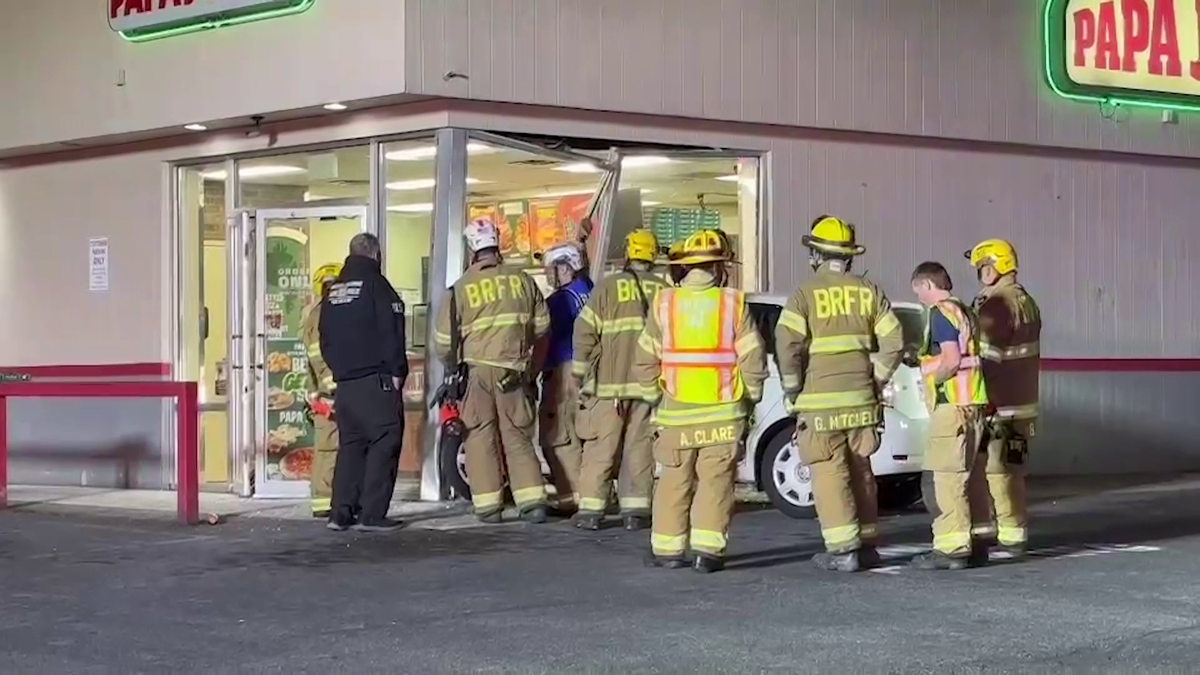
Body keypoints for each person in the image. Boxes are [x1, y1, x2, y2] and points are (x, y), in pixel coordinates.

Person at [774, 216, 904, 573]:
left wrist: (792, 388)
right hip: (862, 402)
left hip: (820, 404)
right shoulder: (870, 292)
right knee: (860, 469)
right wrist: (874, 378)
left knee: (829, 472)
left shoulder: (804, 294)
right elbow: (894, 340)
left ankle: (843, 548)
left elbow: (787, 346)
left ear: (816, 254)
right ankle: (867, 544)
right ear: (849, 256)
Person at [634, 229, 767, 573]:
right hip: (723, 415)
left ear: (685, 268)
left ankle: (667, 550)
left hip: (676, 413)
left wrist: (654, 401)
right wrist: (749, 403)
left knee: (673, 482)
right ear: (719, 267)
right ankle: (707, 553)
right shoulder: (733, 304)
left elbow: (645, 358)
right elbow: (753, 359)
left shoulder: (665, 304)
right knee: (716, 484)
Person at [435, 220, 551, 524]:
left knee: (479, 436)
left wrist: (451, 368)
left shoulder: (460, 289)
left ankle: (488, 506)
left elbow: (444, 342)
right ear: (497, 244)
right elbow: (542, 328)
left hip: (477, 372)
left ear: (472, 249)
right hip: (514, 370)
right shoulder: (523, 281)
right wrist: (529, 369)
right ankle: (533, 503)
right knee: (518, 437)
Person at [572, 229, 668, 531]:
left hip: (608, 386)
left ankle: (590, 511)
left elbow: (584, 331)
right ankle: (635, 511)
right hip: (647, 385)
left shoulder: (608, 287)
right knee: (639, 446)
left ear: (628, 254)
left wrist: (580, 373)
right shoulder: (665, 292)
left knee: (602, 447)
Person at [318, 233, 408, 532]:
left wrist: (340, 370)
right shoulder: (377, 287)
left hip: (346, 384)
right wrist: (397, 372)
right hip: (376, 381)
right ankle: (372, 513)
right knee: (384, 442)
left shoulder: (333, 292)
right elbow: (392, 331)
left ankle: (340, 513)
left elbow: (324, 338)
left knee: (351, 447)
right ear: (376, 254)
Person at [908, 261, 990, 570]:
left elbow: (951, 359)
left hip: (952, 406)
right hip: (974, 404)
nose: (919, 299)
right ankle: (978, 541)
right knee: (970, 477)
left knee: (946, 479)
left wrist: (934, 378)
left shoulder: (940, 312)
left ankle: (951, 548)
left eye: (918, 292)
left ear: (928, 286)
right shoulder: (965, 311)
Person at [967, 239, 1041, 560]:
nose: (981, 273)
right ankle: (1012, 532)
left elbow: (987, 359)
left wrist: (979, 399)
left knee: (993, 472)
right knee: (1011, 470)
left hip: (998, 405)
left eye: (983, 267)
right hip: (1022, 405)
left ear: (994, 267)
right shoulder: (1026, 301)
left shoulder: (996, 305)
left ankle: (1003, 536)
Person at [538, 242, 594, 515]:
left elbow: (542, 335)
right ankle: (593, 493)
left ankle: (572, 497)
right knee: (586, 434)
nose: (550, 275)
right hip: (590, 371)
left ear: (567, 267)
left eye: (554, 268)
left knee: (559, 435)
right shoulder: (590, 292)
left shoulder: (558, 301)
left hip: (563, 374)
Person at [301, 262, 341, 519]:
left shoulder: (313, 314)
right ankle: (326, 502)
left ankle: (325, 501)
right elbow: (321, 357)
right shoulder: (326, 314)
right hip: (331, 392)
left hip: (321, 392)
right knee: (331, 449)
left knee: (329, 448)